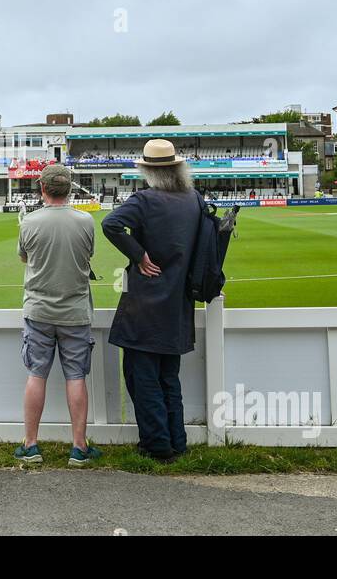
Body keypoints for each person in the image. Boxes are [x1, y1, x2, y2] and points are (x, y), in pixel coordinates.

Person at [101, 139, 202, 461]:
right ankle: (177, 442)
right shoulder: (194, 199)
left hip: (146, 303)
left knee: (143, 378)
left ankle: (158, 446)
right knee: (169, 378)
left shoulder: (145, 200)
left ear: (147, 171)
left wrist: (139, 254)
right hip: (179, 301)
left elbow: (111, 224)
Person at [14, 164, 101, 468]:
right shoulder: (86, 221)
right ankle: (79, 447)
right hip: (75, 311)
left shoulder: (29, 222)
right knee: (76, 376)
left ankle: (31, 444)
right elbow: (88, 256)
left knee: (37, 374)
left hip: (39, 309)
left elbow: (25, 257)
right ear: (70, 189)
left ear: (42, 188)